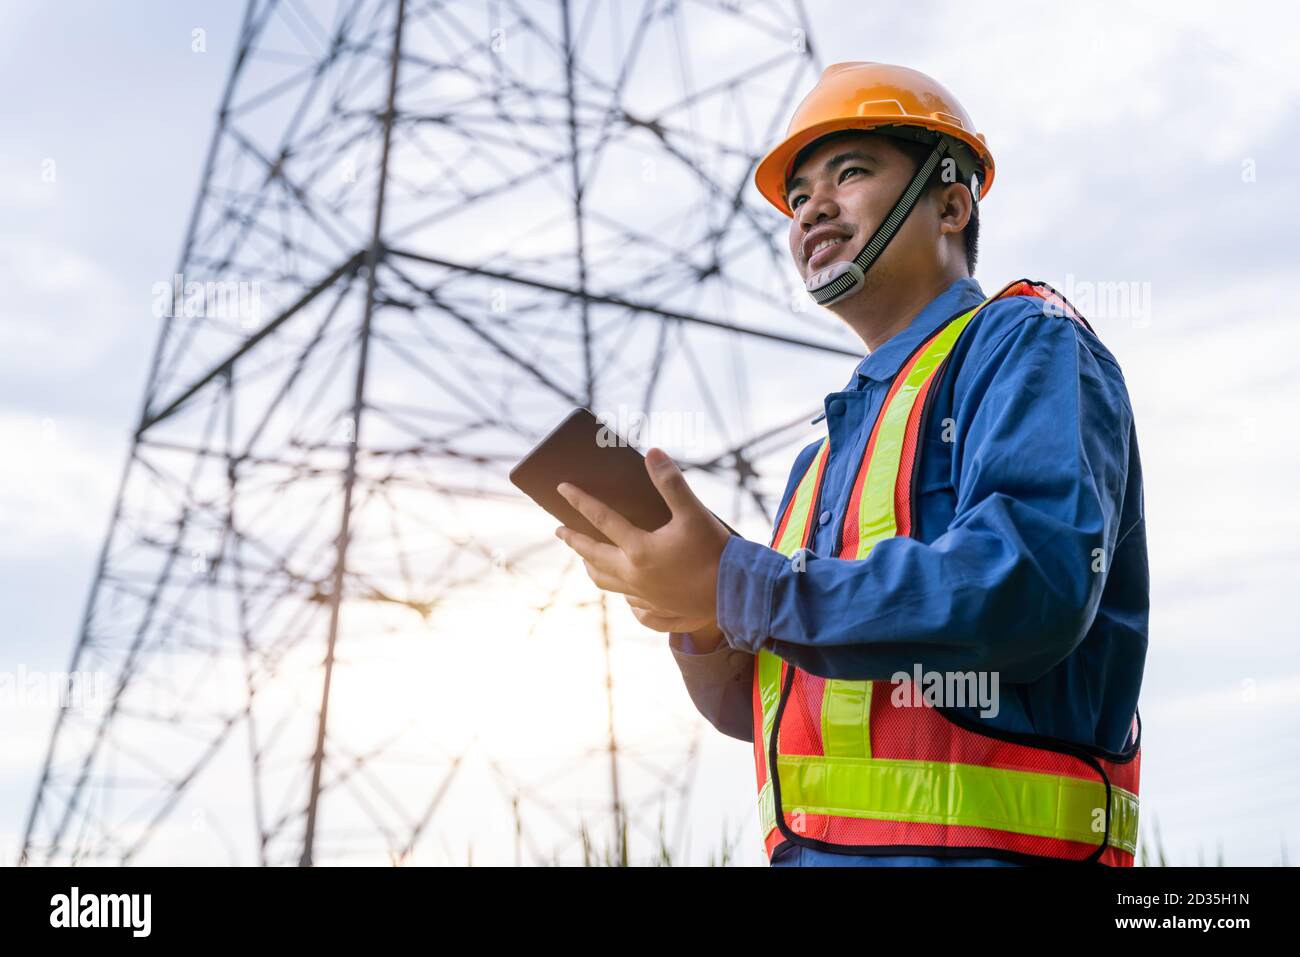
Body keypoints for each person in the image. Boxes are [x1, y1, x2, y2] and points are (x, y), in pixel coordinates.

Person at [553, 61, 1145, 867]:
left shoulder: (1028, 346)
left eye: (850, 172)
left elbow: (1028, 588)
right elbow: (778, 699)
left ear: (950, 202)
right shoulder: (822, 458)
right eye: (797, 199)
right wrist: (696, 613)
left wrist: (739, 581)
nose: (811, 210)